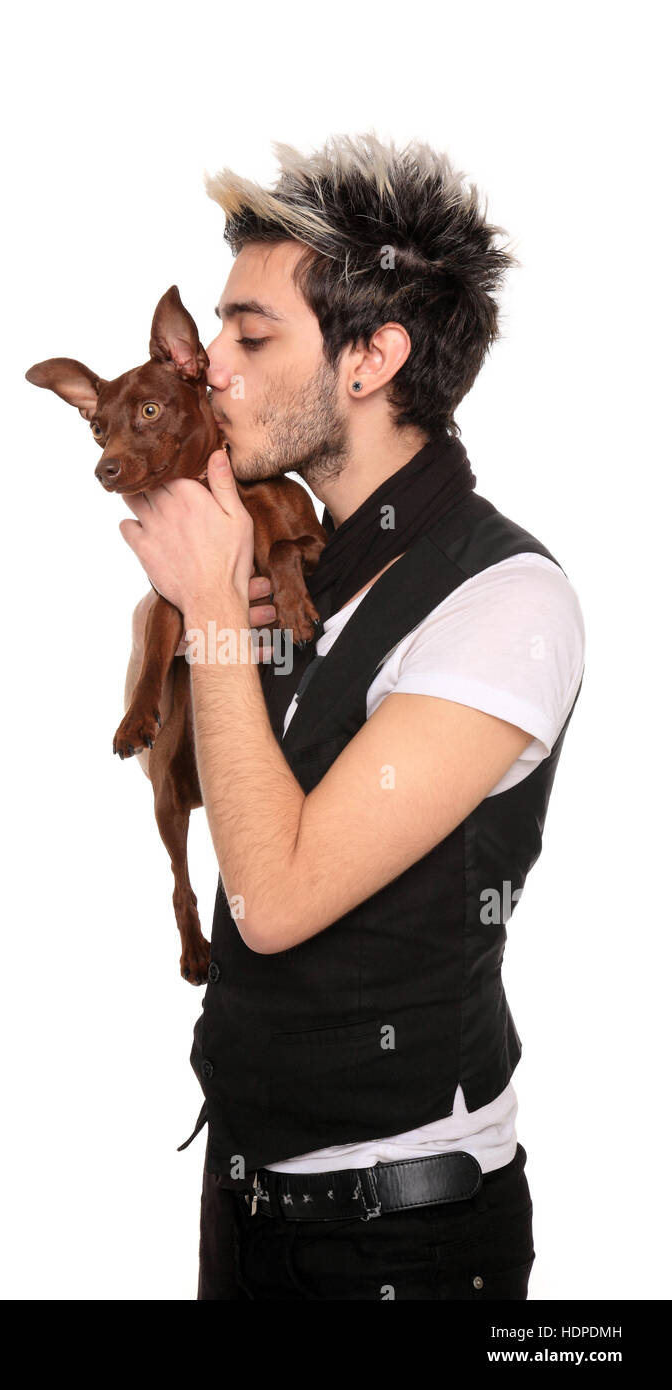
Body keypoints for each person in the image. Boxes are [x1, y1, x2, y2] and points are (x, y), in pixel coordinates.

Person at [119, 134, 585, 1300]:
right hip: (241, 1203)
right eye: (217, 331)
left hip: (401, 1247)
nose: (210, 365)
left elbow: (272, 902)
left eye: (251, 333)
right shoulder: (304, 574)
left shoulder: (505, 598)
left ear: (372, 358)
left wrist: (216, 609)